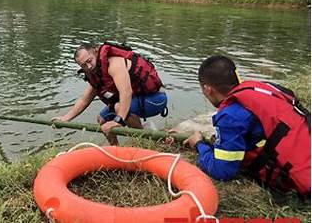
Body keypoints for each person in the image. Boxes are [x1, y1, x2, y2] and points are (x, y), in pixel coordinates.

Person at [183, 56, 310, 201]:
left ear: (208, 89)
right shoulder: (261, 88)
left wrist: (199, 144)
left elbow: (223, 171)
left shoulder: (230, 116)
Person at [51, 42, 168, 145]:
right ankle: (115, 148)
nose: (89, 66)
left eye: (89, 61)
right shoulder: (96, 74)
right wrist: (65, 119)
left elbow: (126, 92)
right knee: (102, 119)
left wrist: (118, 120)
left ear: (96, 51)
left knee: (118, 107)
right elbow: (83, 101)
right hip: (136, 99)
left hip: (155, 99)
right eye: (83, 66)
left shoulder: (114, 64)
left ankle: (145, 139)